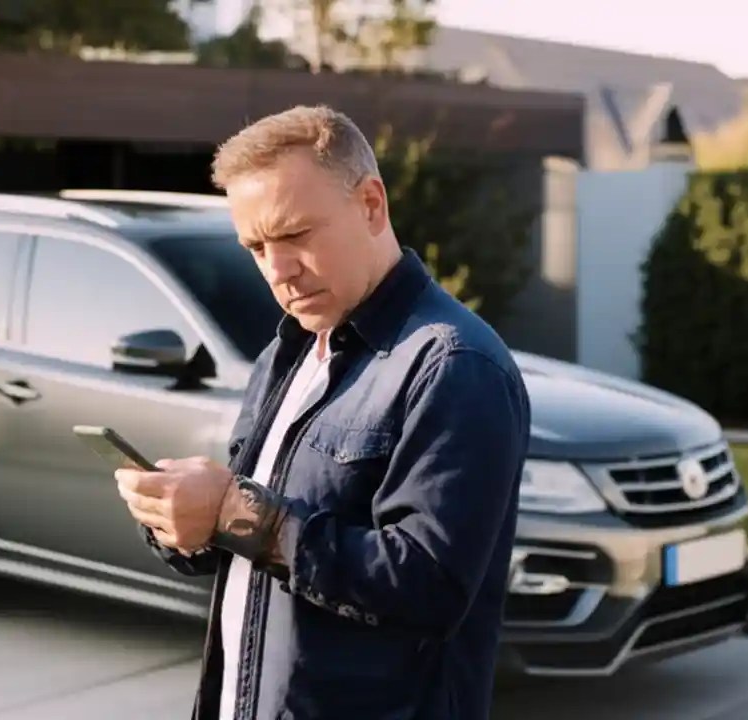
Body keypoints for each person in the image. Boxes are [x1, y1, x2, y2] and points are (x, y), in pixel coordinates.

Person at [114, 104, 531, 720]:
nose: (277, 270)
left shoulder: (454, 364)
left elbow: (428, 586)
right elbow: (264, 545)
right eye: (256, 247)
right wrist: (184, 520)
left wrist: (236, 512)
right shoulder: (287, 353)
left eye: (295, 235)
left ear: (371, 205)